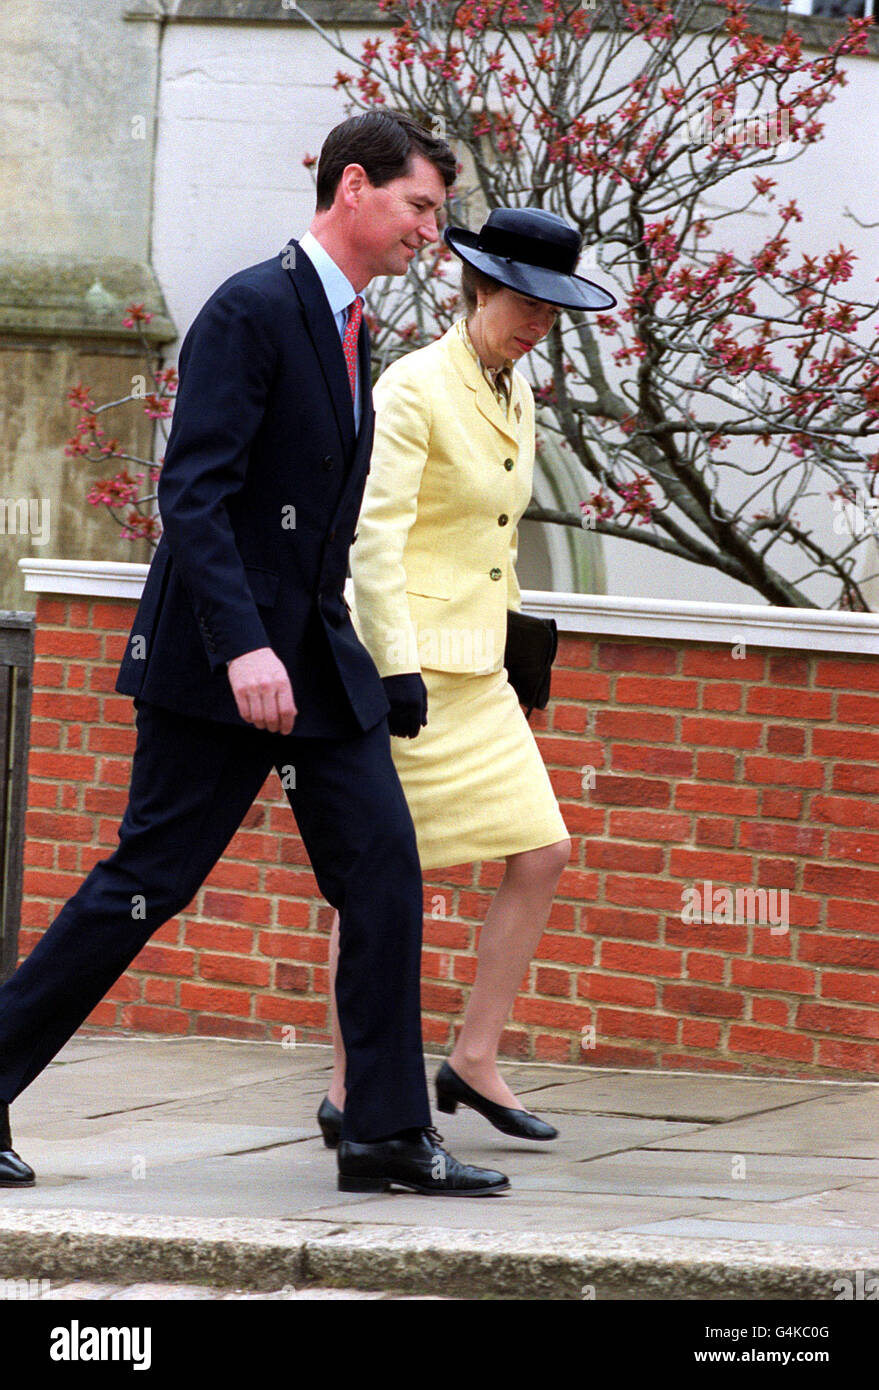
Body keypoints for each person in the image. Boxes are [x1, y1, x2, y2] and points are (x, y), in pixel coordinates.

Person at [0, 111, 510, 1199]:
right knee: (146, 884)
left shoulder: (347, 323)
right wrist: (241, 649)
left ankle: (382, 1133)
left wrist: (370, 659)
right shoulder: (252, 306)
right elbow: (193, 493)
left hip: (315, 658)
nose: (432, 230)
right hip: (217, 659)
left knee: (384, 871)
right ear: (356, 187)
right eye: (420, 206)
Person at [315, 207, 616, 1148]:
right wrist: (392, 667)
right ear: (479, 289)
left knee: (544, 852)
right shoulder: (415, 386)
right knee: (378, 880)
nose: (539, 323)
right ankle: (347, 1083)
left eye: (554, 310)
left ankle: (473, 1059)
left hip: (479, 671)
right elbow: (375, 537)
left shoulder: (511, 387)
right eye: (526, 302)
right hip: (409, 675)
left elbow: (490, 538)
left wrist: (519, 643)